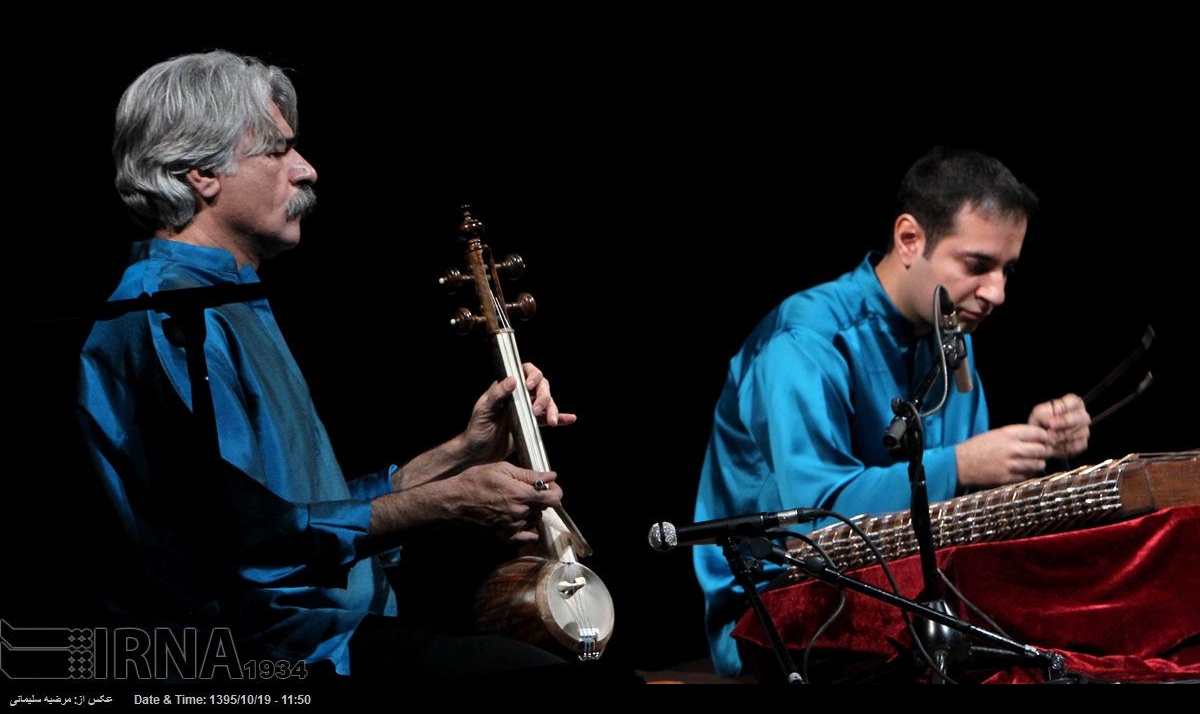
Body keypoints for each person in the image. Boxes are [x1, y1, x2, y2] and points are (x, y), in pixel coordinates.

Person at [77, 50, 575, 678]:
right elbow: (244, 541)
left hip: (326, 631)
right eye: (278, 151)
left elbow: (309, 510)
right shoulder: (165, 312)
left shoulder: (228, 295)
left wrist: (464, 452)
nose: (307, 170)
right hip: (255, 654)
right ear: (201, 171)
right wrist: (444, 504)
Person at [693, 148, 1092, 675]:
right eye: (977, 266)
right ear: (910, 240)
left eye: (1006, 271)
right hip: (778, 610)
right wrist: (963, 465)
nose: (996, 292)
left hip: (909, 596)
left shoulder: (952, 341)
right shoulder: (808, 339)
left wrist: (1035, 447)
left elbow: (966, 514)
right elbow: (814, 516)